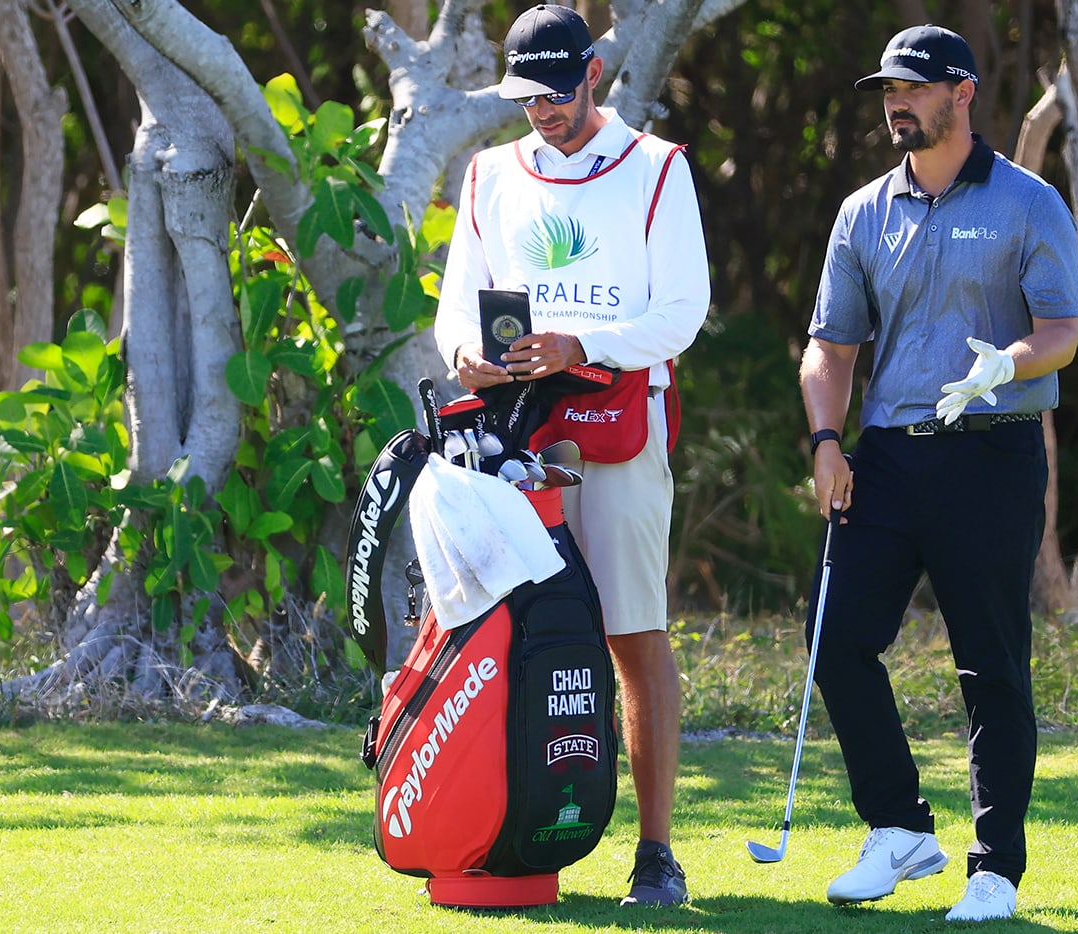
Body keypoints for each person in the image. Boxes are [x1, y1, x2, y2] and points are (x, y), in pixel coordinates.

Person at [797, 24, 1078, 923]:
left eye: (912, 88)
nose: (896, 103)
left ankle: (995, 867)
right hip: (882, 458)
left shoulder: (1030, 203)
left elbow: (1060, 332)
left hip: (991, 453)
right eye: (887, 89)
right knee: (835, 641)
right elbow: (830, 348)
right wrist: (826, 443)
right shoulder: (862, 213)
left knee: (990, 666)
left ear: (961, 92)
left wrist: (1006, 364)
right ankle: (898, 828)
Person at [433, 3, 708, 908]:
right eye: (525, 96)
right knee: (506, 634)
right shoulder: (489, 174)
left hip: (616, 430)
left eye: (555, 92)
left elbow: (681, 314)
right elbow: (457, 305)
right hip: (512, 434)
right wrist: (465, 355)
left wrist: (576, 348)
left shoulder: (657, 170)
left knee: (632, 635)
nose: (541, 112)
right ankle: (506, 829)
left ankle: (656, 855)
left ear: (593, 72)